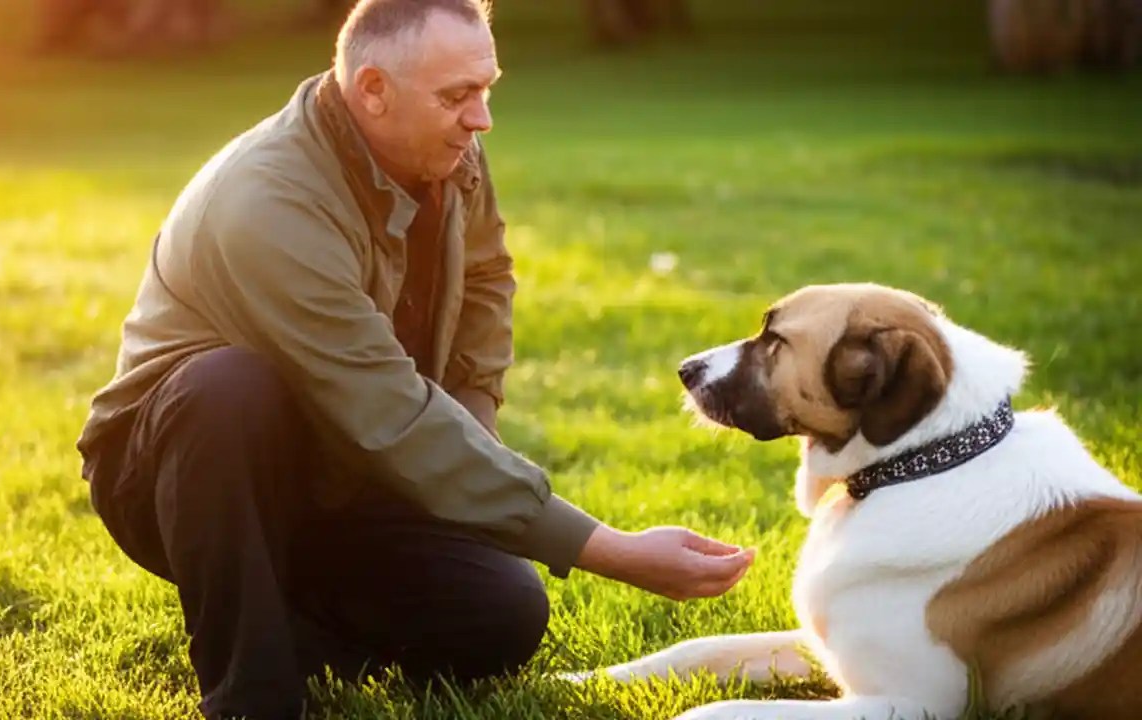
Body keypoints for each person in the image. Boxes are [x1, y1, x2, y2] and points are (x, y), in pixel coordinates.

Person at [75, 1, 755, 718]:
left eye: (487, 89)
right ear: (372, 89)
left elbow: (488, 278)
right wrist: (615, 550)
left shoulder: (445, 148)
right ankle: (253, 692)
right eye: (457, 96)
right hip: (183, 471)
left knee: (501, 617)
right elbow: (388, 411)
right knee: (227, 387)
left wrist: (476, 420)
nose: (481, 118)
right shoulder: (267, 201)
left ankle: (288, 623)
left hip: (343, 462)